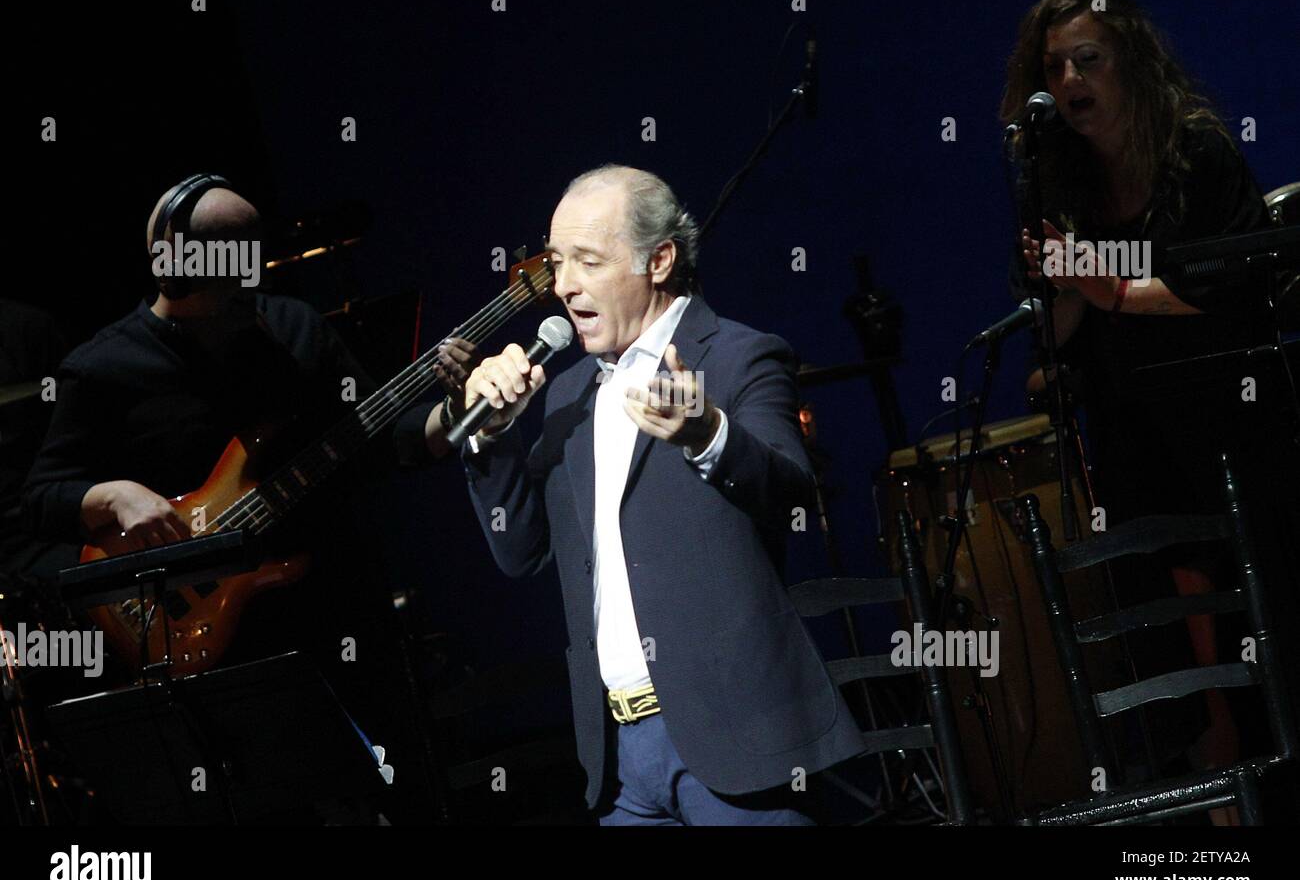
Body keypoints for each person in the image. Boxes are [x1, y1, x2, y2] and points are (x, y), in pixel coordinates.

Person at [22, 173, 478, 820]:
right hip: (217, 651)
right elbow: (41, 497)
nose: (253, 278)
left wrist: (455, 413)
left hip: (329, 608)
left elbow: (380, 438)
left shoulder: (290, 330)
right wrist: (113, 495)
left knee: (392, 791)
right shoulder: (102, 368)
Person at [458, 165, 864, 825]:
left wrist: (706, 432)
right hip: (620, 762)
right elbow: (521, 553)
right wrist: (491, 439)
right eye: (558, 264)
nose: (563, 286)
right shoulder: (566, 396)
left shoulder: (737, 356)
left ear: (659, 260)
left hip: (737, 741)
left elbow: (792, 494)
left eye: (587, 261)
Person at [1004, 0, 1276, 808]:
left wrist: (1112, 288)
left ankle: (1261, 760)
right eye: (1055, 66)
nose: (1070, 77)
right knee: (1161, 588)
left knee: (1238, 585)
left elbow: (1234, 284)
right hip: (1128, 412)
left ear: (1130, 64)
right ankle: (1203, 763)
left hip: (1223, 402)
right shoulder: (1062, 174)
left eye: (1089, 59)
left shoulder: (1194, 150)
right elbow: (1070, 308)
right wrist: (1063, 294)